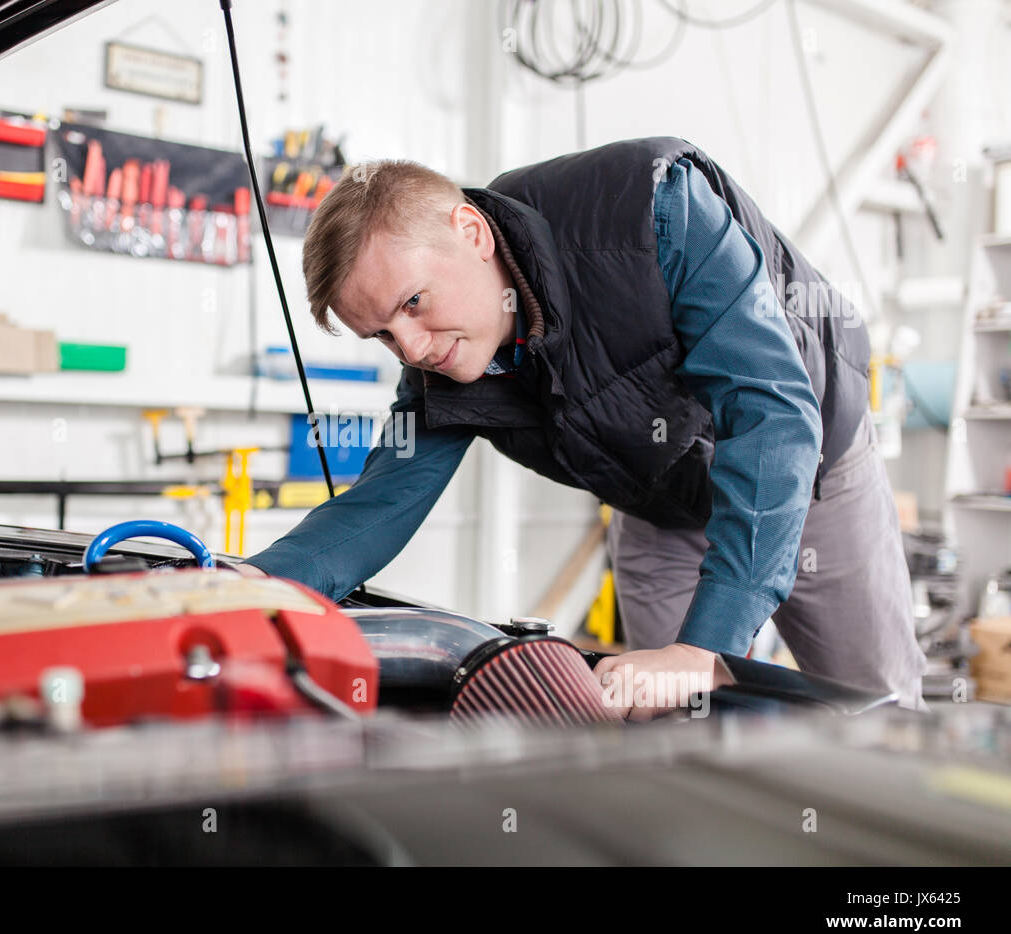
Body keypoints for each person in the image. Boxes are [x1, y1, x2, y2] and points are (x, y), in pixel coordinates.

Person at [238, 136, 927, 716]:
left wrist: (704, 645)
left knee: (876, 720)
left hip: (808, 480)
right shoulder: (443, 362)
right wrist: (238, 594)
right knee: (671, 733)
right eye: (383, 336)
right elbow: (375, 505)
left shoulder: (651, 212)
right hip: (656, 504)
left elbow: (773, 417)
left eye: (413, 304)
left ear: (471, 233)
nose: (412, 349)